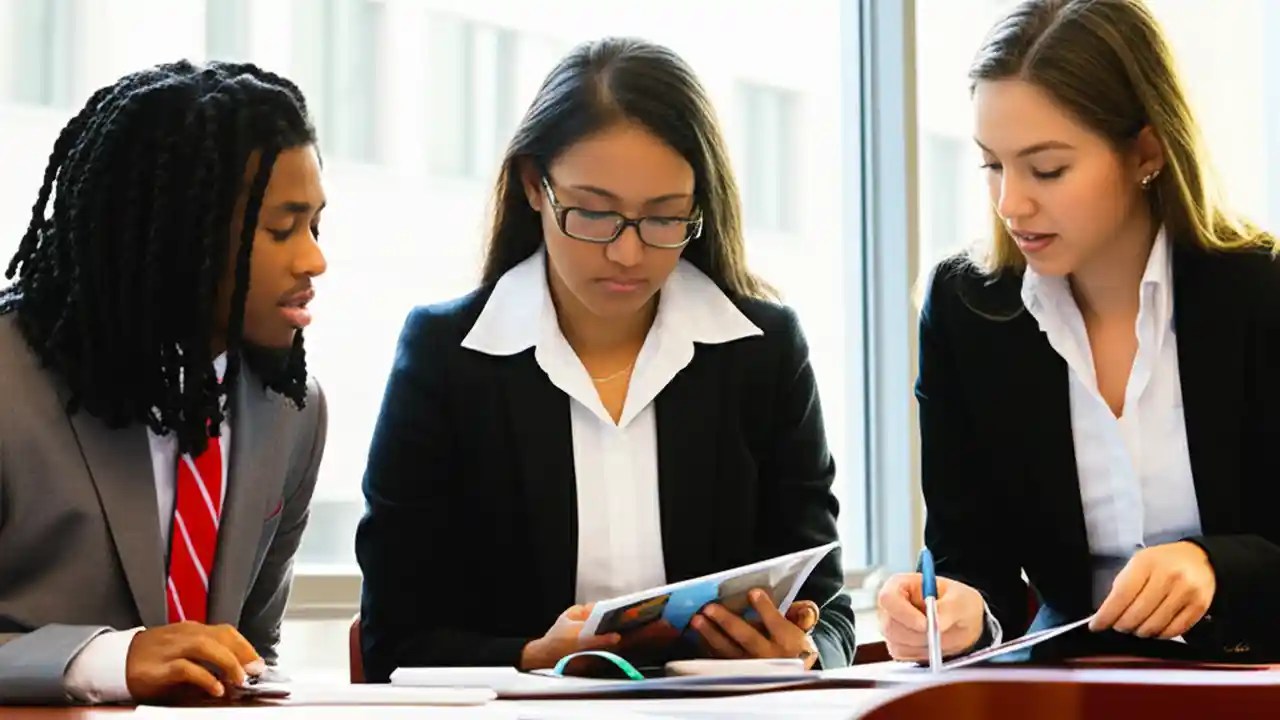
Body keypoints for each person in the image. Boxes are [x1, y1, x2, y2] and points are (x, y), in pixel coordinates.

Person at [355, 37, 856, 683]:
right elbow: (394, 638)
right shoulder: (447, 358)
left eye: (664, 218)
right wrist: (532, 659)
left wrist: (804, 651)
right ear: (535, 186)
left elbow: (829, 606)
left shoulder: (762, 352)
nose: (627, 253)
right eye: (593, 213)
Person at [877, 0, 1280, 664]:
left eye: (1047, 169)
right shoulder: (964, 311)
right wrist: (958, 613)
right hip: (1072, 684)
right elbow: (973, 561)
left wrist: (1215, 568)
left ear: (1145, 151)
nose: (1011, 203)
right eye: (992, 165)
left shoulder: (1261, 293)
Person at [0, 60, 329, 704]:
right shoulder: (9, 385)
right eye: (281, 229)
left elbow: (253, 650)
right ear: (186, 230)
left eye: (316, 225)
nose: (314, 259)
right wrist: (104, 660)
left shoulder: (294, 410)